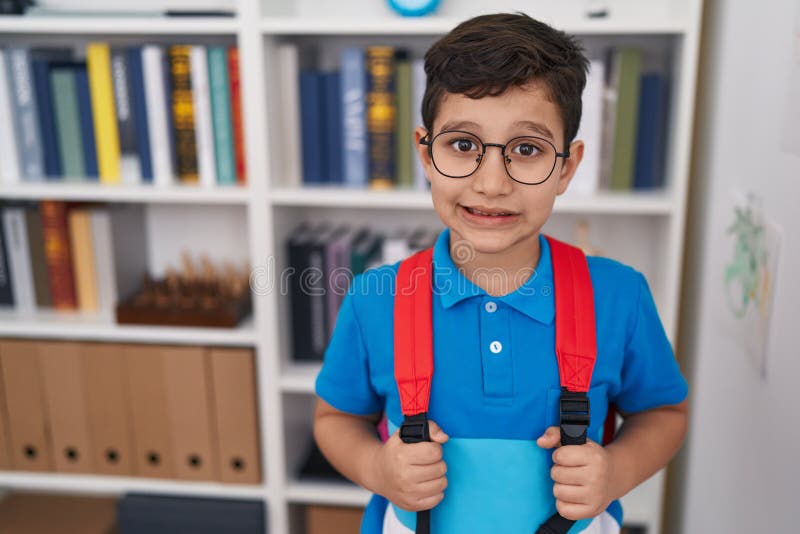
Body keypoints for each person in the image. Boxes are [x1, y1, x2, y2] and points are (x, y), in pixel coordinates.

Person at [313, 12, 688, 534]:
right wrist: (378, 468)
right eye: (463, 145)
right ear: (426, 153)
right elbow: (335, 421)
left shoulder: (619, 295)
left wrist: (617, 471)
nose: (491, 184)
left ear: (567, 167)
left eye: (527, 150)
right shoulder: (373, 298)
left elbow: (664, 416)